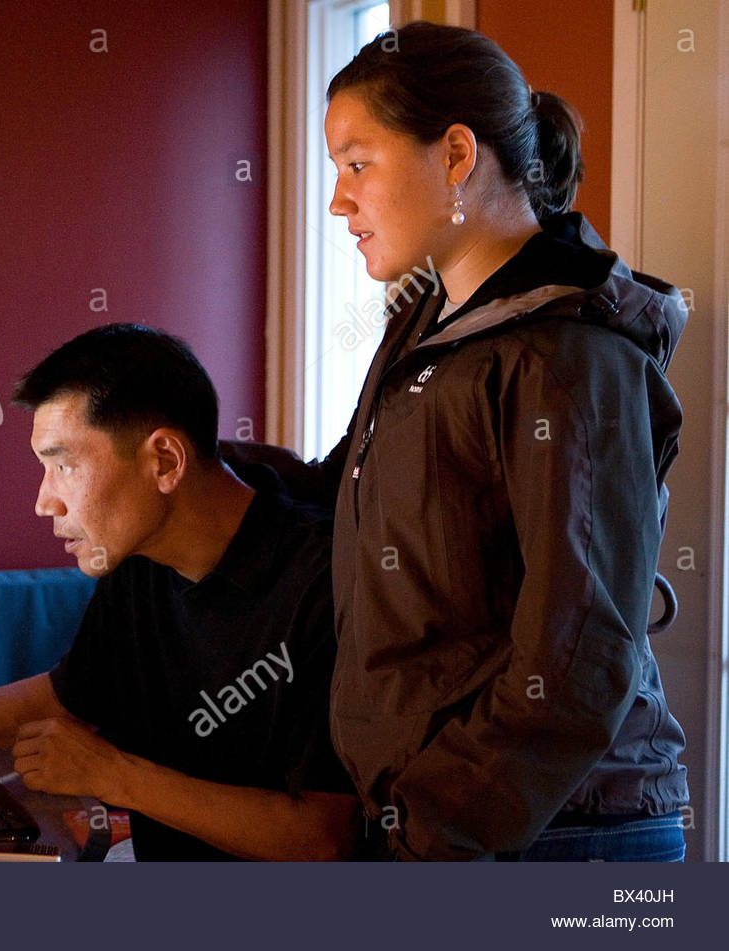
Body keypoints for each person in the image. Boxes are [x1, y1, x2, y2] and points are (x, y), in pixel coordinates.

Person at [294, 21, 688, 860]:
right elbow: (337, 496)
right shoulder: (420, 325)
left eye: (357, 164)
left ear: (457, 154)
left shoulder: (569, 356)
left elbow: (580, 655)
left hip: (561, 834)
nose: (338, 201)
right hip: (452, 824)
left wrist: (433, 831)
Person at [0, 324, 360, 860]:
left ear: (164, 461)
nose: (45, 502)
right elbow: (69, 695)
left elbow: (323, 840)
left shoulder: (326, 587)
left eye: (64, 466)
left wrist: (114, 774)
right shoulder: (139, 553)